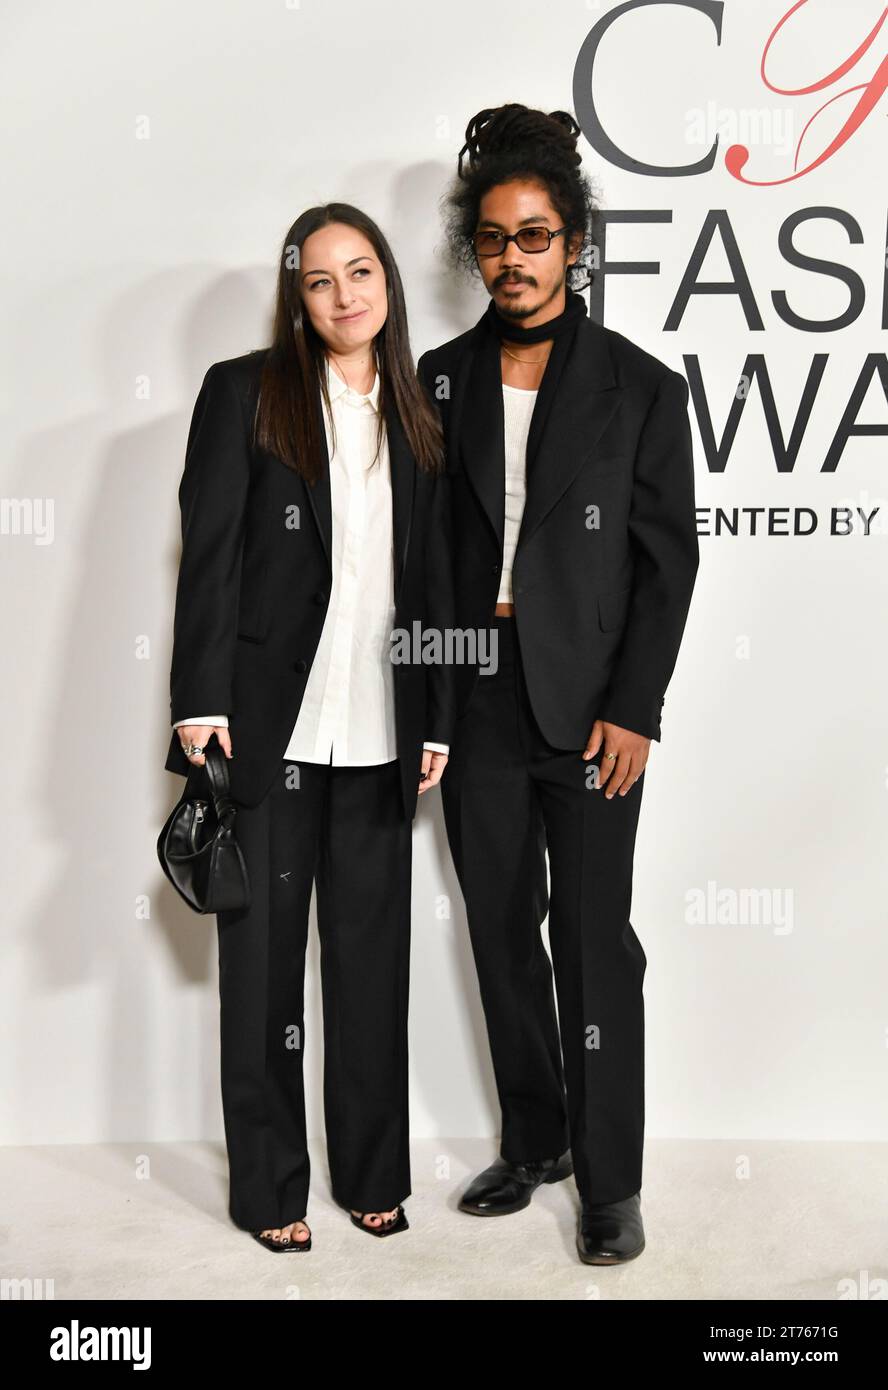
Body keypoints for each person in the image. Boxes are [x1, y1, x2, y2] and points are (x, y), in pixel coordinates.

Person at [418, 104, 699, 1264]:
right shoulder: (436, 381)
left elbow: (666, 561)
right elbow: (420, 568)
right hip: (473, 689)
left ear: (574, 241)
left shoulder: (639, 386)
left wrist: (634, 707)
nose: (513, 258)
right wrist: (424, 704)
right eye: (492, 238)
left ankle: (611, 1178)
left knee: (593, 942)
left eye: (535, 236)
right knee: (497, 930)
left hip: (590, 704)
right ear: (473, 250)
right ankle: (536, 1137)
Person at [163, 204, 454, 1252]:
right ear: (298, 295)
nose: (345, 295)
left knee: (372, 971)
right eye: (321, 279)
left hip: (382, 734)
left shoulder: (422, 410)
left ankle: (374, 1175)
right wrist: (198, 700)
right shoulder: (244, 392)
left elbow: (433, 583)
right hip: (267, 733)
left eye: (361, 270)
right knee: (264, 974)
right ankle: (270, 1192)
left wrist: (439, 713)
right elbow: (210, 557)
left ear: (387, 283)